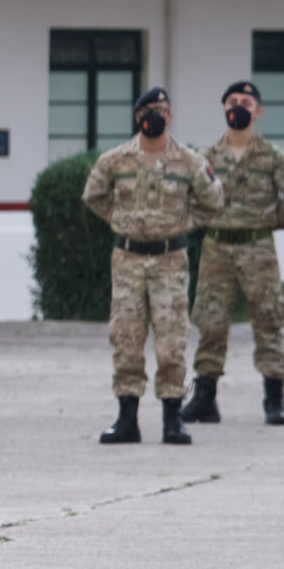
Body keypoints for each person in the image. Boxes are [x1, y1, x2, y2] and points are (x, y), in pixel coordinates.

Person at [81, 87, 223, 446]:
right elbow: (94, 196)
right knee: (126, 337)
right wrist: (122, 220)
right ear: (137, 116)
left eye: (161, 109)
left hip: (169, 260)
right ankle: (127, 419)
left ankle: (172, 419)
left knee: (170, 339)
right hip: (127, 259)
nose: (154, 115)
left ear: (170, 116)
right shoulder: (115, 160)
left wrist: (181, 224)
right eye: (148, 110)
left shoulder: (190, 161)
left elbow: (212, 201)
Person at [182, 80, 284, 426]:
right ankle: (204, 398)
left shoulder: (271, 158)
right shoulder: (206, 158)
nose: (238, 106)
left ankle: (275, 399)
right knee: (210, 321)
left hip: (258, 249)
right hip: (217, 248)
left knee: (268, 320)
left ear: (258, 111)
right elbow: (189, 201)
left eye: (245, 101)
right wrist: (207, 220)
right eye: (232, 101)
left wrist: (269, 221)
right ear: (224, 109)